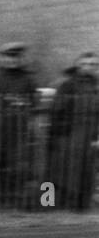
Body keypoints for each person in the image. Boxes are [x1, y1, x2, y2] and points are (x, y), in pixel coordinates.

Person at [0, 42, 39, 207]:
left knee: (17, 165)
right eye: (9, 56)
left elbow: (34, 101)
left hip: (19, 129)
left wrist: (22, 105)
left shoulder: (28, 78)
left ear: (21, 58)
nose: (13, 60)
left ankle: (13, 200)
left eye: (16, 56)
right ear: (0, 57)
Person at [46, 52, 99, 210]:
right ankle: (46, 204)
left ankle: (79, 207)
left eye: (93, 64)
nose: (89, 67)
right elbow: (56, 111)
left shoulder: (96, 85)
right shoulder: (67, 84)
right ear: (78, 65)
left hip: (88, 137)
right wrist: (61, 135)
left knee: (84, 174)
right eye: (85, 64)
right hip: (66, 136)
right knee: (55, 174)